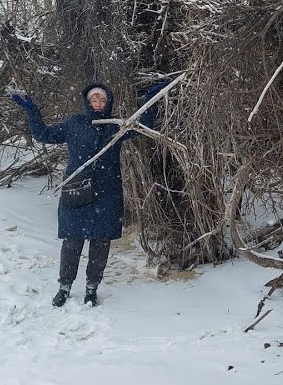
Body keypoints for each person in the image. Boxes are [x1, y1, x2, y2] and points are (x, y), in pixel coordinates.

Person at [10, 80, 168, 307]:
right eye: (94, 99)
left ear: (108, 101)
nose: (97, 103)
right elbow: (43, 135)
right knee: (72, 242)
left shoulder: (116, 126)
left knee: (101, 243)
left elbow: (141, 128)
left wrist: (150, 101)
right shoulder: (74, 123)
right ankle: (64, 287)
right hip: (77, 190)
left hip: (107, 193)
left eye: (102, 99)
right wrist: (31, 111)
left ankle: (92, 288)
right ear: (86, 101)